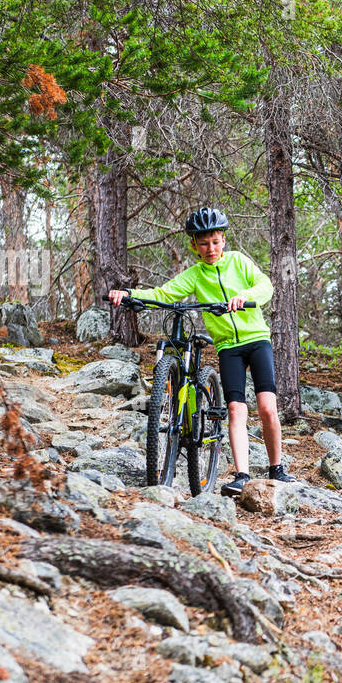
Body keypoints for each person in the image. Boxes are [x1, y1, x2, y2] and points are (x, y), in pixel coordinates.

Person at [109, 207, 295, 495]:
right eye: (204, 243)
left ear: (224, 240)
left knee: (267, 408)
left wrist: (243, 296)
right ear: (194, 245)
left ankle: (277, 468)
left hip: (256, 339)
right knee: (234, 409)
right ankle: (242, 475)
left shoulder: (238, 262)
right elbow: (163, 294)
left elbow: (265, 286)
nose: (211, 249)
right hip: (228, 346)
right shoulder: (195, 275)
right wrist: (131, 295)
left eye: (216, 242)